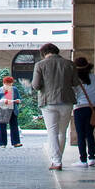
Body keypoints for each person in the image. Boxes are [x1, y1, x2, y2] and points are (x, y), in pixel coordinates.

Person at [31, 42, 78, 170]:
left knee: (52, 132)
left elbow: (35, 85)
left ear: (43, 54)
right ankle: (58, 159)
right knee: (62, 132)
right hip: (67, 101)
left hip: (48, 102)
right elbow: (75, 82)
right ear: (57, 51)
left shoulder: (40, 65)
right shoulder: (69, 64)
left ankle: (56, 161)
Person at [72, 56, 95, 167]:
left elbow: (73, 95)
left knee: (81, 135)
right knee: (90, 133)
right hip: (94, 108)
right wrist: (94, 100)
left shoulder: (75, 81)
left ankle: (83, 160)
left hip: (80, 108)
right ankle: (92, 158)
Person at [0, 74, 22, 148]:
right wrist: (1, 101)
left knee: (14, 126)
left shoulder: (14, 89)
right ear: (4, 83)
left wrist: (18, 101)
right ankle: (2, 143)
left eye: (10, 84)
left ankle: (16, 142)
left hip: (12, 110)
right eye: (7, 84)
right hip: (2, 110)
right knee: (2, 127)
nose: (9, 86)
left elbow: (19, 98)